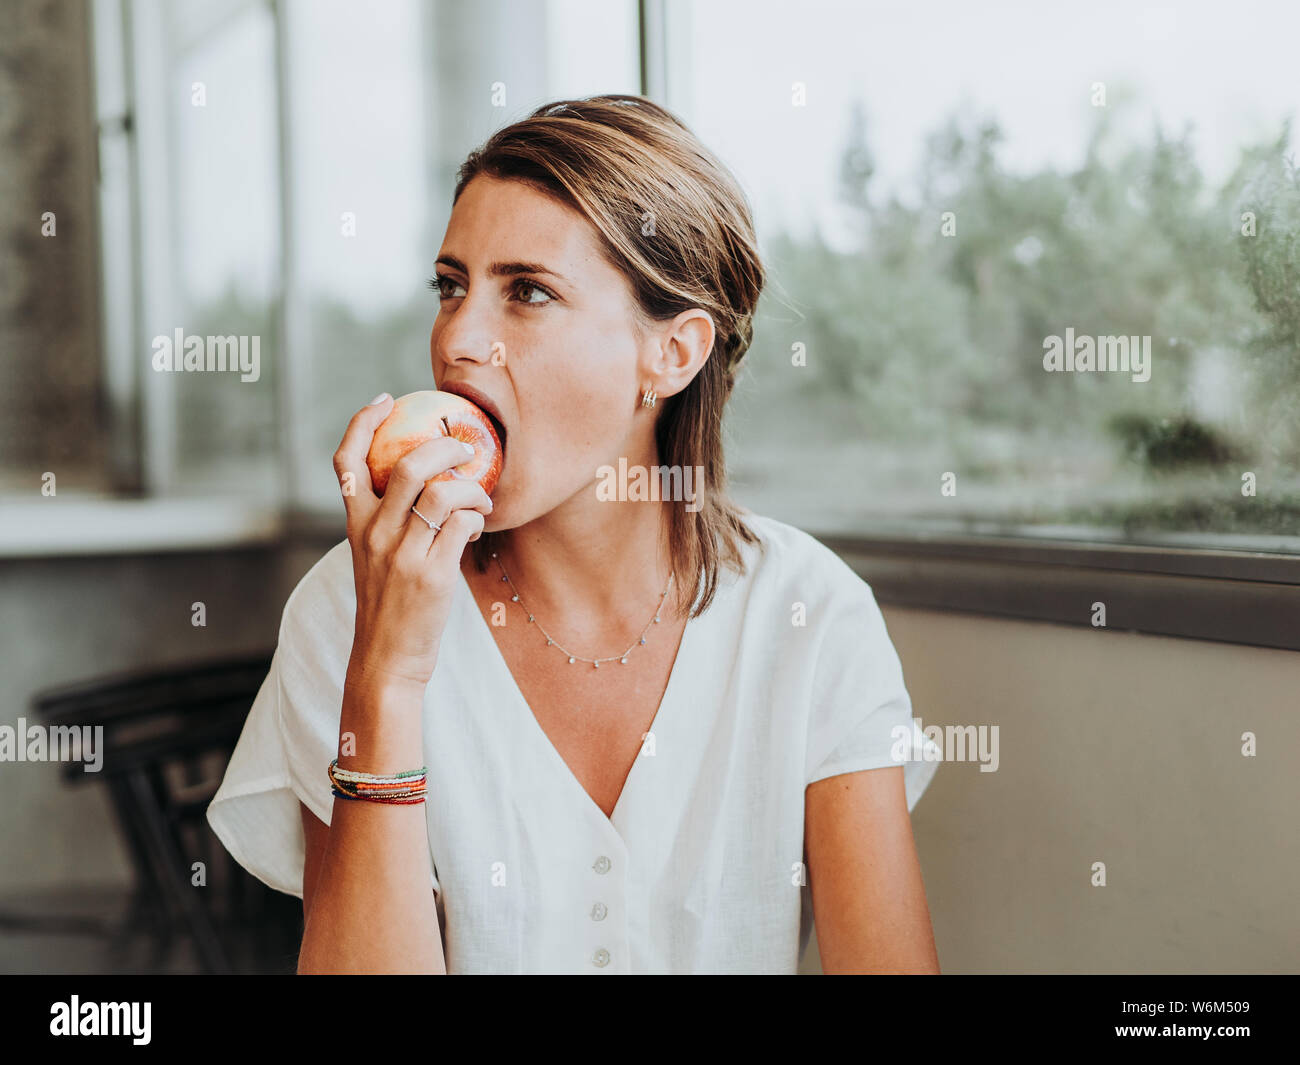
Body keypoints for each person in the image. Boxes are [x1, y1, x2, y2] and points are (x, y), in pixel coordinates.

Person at [207, 94, 941, 974]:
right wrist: (389, 679)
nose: (458, 340)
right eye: (451, 287)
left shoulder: (811, 617)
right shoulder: (351, 604)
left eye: (528, 292)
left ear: (671, 354)